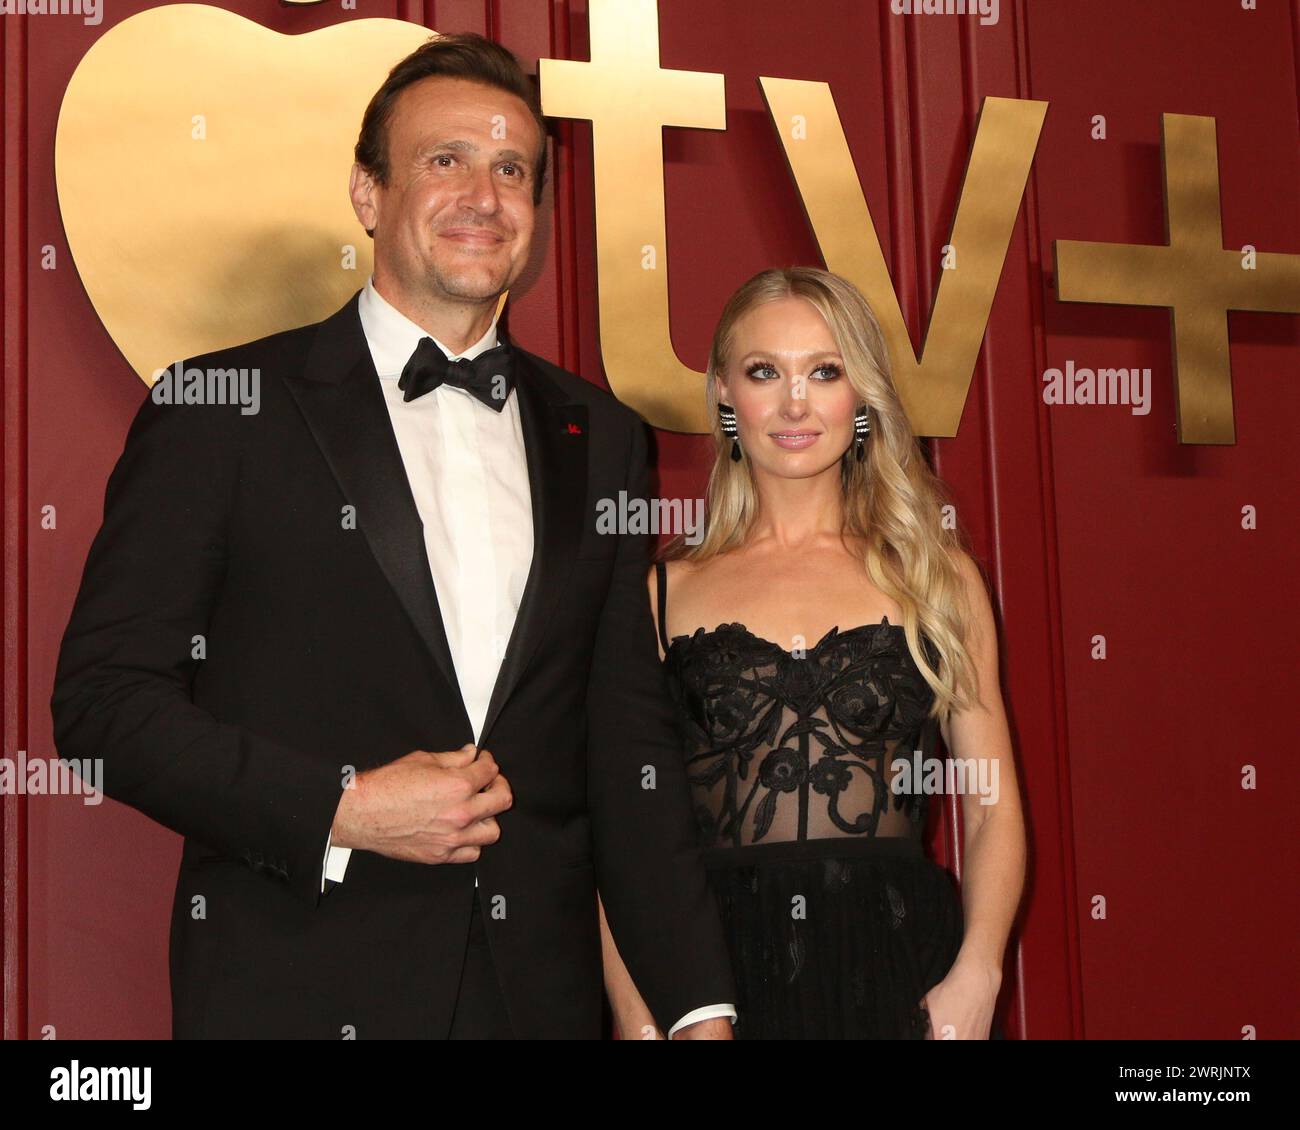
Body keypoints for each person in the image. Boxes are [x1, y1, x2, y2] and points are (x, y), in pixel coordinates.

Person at [50, 32, 735, 1040]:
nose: (482, 194)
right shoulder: (222, 406)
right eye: (443, 160)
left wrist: (694, 1008)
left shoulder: (602, 439)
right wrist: (343, 805)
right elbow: (103, 704)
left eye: (512, 169)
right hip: (293, 989)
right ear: (368, 194)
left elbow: (624, 746)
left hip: (533, 1002)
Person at [599, 267, 1026, 1039]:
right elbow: (624, 840)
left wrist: (980, 973)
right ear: (726, 393)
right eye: (765, 372)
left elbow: (991, 802)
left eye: (824, 372)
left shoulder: (936, 575)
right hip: (712, 986)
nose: (795, 403)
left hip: (903, 975)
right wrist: (638, 1022)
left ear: (860, 396)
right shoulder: (658, 594)